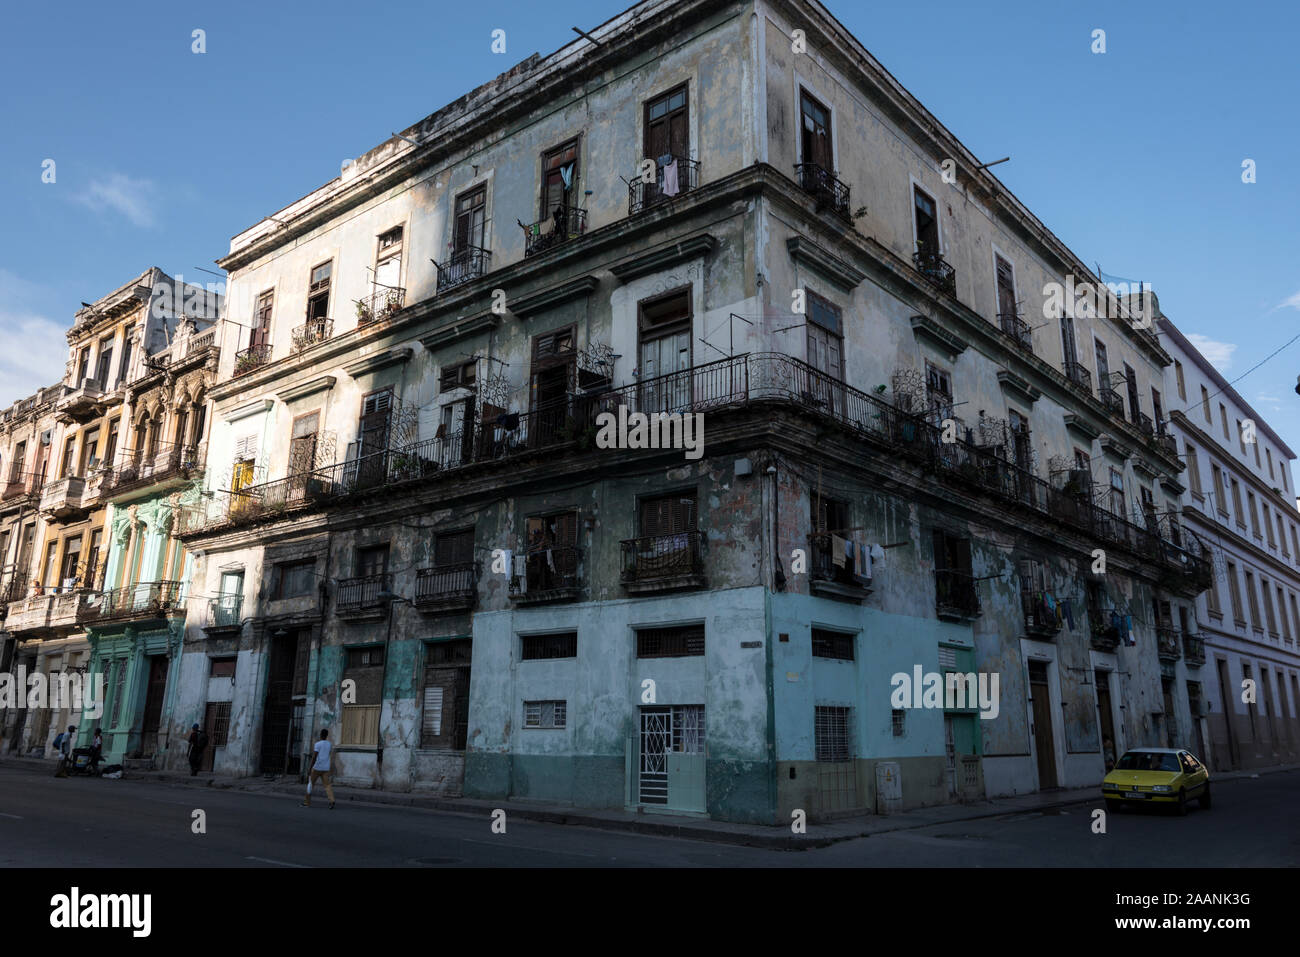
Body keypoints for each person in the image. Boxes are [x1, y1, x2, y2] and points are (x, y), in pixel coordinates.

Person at [303, 728, 335, 809]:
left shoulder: (317, 744)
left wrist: (310, 768)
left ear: (320, 735)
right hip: (325, 768)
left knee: (311, 784)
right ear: (327, 735)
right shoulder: (329, 744)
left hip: (317, 767)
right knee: (327, 785)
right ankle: (332, 800)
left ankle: (307, 802)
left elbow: (314, 757)